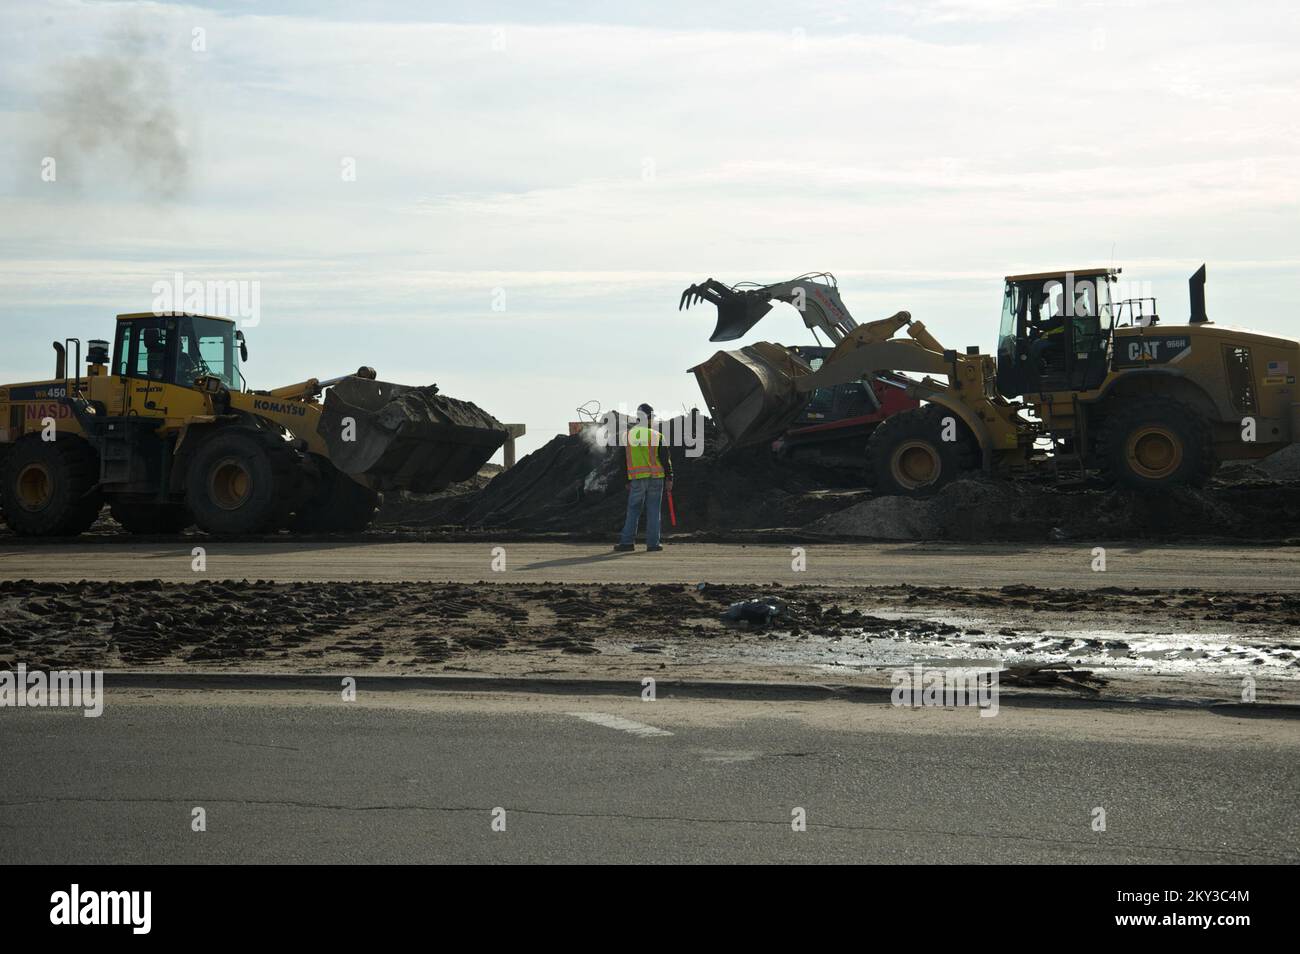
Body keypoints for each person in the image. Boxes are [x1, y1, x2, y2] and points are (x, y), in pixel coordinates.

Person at [614, 403, 674, 552]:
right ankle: (653, 544)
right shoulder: (657, 436)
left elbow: (623, 460)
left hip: (637, 478)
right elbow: (665, 458)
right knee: (654, 510)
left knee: (633, 510)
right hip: (656, 477)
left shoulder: (627, 436)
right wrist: (669, 477)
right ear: (648, 419)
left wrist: (626, 480)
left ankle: (627, 543)